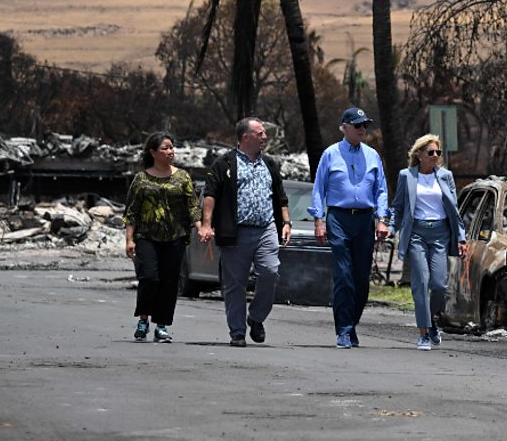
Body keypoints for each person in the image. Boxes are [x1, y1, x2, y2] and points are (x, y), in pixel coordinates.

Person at [197, 117, 291, 347]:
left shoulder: (269, 163)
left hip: (266, 229)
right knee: (235, 284)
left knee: (270, 272)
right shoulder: (225, 163)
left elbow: (280, 195)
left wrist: (286, 222)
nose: (265, 137)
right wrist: (207, 224)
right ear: (246, 137)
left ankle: (256, 318)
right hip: (235, 232)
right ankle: (237, 332)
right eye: (260, 133)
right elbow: (210, 195)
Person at [309, 107, 390, 348]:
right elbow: (318, 189)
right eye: (357, 125)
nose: (362, 129)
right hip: (339, 218)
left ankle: (351, 323)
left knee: (361, 278)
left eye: (365, 125)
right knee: (343, 275)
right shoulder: (330, 154)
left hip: (364, 219)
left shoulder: (373, 155)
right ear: (344, 127)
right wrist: (319, 221)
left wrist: (383, 219)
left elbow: (381, 190)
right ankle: (343, 329)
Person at [390, 134, 467, 350]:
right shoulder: (406, 176)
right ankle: (424, 333)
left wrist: (460, 236)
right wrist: (389, 227)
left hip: (441, 233)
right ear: (419, 155)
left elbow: (454, 210)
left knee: (439, 285)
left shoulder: (445, 176)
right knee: (421, 282)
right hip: (417, 233)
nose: (435, 156)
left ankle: (431, 320)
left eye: (438, 152)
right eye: (430, 152)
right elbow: (398, 206)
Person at [124, 131, 199, 343]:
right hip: (146, 236)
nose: (170, 151)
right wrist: (129, 239)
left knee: (169, 282)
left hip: (175, 237)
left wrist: (201, 227)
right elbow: (131, 211)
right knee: (149, 277)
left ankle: (162, 326)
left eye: (171, 147)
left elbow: (192, 206)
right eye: (165, 148)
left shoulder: (182, 177)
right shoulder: (141, 179)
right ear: (153, 152)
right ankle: (143, 319)